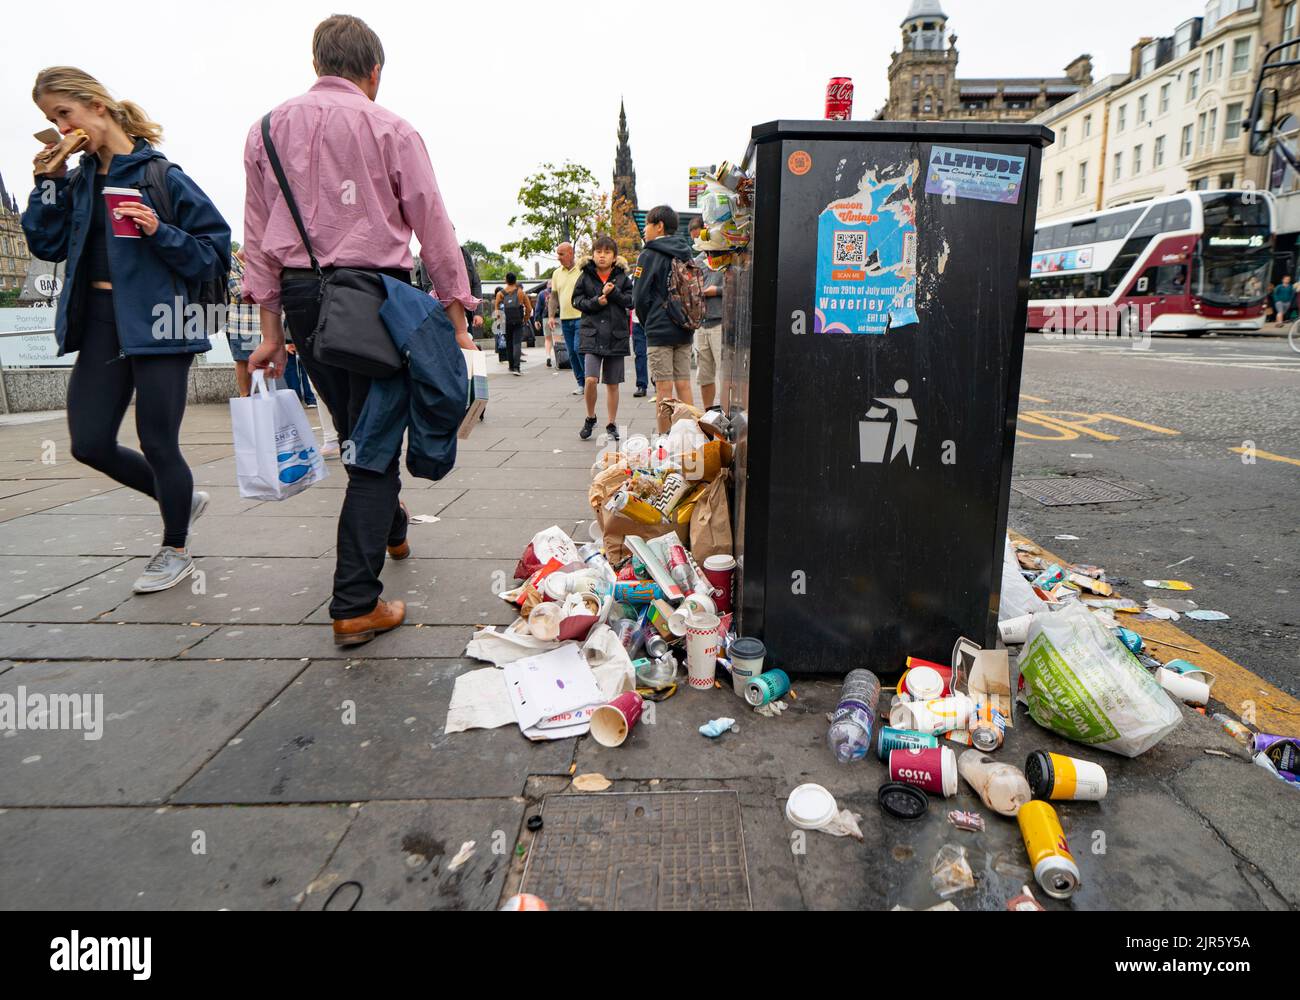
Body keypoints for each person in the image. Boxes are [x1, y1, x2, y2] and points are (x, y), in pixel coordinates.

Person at [242, 14, 478, 647]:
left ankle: (392, 525)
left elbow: (258, 238)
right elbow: (434, 223)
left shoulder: (265, 131)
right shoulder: (391, 127)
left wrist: (270, 331)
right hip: (375, 301)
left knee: (357, 430)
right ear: (374, 71)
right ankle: (355, 603)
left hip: (303, 301)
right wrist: (455, 315)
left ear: (317, 63)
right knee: (373, 451)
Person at [23, 66, 230, 594]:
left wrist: (160, 231)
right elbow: (45, 248)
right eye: (50, 119)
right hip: (98, 323)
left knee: (158, 441)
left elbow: (213, 255)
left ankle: (175, 546)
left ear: (96, 106)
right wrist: (45, 184)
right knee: (88, 443)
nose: (59, 125)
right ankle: (177, 495)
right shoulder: (76, 181)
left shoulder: (163, 175)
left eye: (63, 113)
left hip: (161, 324)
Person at [634, 205, 695, 430]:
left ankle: (665, 439)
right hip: (684, 325)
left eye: (648, 225)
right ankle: (691, 436)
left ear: (659, 226)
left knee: (663, 389)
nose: (645, 231)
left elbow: (639, 297)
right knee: (684, 385)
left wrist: (648, 320)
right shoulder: (686, 251)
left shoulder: (648, 254)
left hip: (660, 328)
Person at [573, 236, 632, 440]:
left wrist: (613, 293)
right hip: (592, 335)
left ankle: (611, 423)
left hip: (616, 336)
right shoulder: (585, 275)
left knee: (612, 384)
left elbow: (631, 301)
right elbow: (576, 301)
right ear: (593, 254)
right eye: (598, 251)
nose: (602, 255)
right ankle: (590, 417)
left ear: (614, 257)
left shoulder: (623, 277)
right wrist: (596, 302)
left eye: (607, 252)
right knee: (590, 379)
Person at [547, 242, 585, 394]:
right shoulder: (556, 273)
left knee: (578, 348)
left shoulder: (582, 270)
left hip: (581, 316)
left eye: (561, 254)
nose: (558, 257)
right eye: (558, 254)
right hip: (565, 319)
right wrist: (551, 316)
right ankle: (581, 383)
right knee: (571, 352)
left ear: (570, 253)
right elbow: (554, 297)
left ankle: (589, 379)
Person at [227, 247, 261, 396]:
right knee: (242, 359)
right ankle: (244, 396)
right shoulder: (230, 261)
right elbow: (239, 292)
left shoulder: (250, 266)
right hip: (238, 322)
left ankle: (251, 395)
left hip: (254, 321)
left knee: (253, 359)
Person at [494, 272, 531, 375]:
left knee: (509, 343)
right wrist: (525, 318)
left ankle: (511, 366)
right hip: (518, 320)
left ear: (506, 280)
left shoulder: (500, 293)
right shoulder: (521, 292)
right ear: (515, 280)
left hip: (505, 321)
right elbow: (529, 308)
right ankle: (517, 368)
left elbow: (497, 310)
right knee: (517, 343)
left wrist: (499, 321)